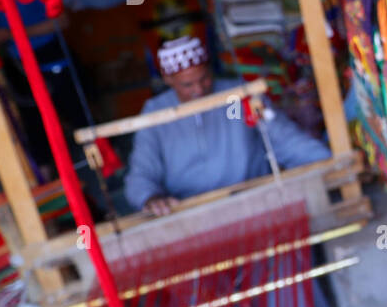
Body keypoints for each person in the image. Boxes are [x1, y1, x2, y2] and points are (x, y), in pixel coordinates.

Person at [124, 35, 331, 216]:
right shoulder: (156, 112)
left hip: (255, 200)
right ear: (168, 79)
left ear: (209, 69)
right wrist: (150, 197)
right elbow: (141, 173)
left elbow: (286, 140)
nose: (198, 89)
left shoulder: (235, 96)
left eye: (204, 78)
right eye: (187, 85)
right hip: (190, 213)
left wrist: (330, 163)